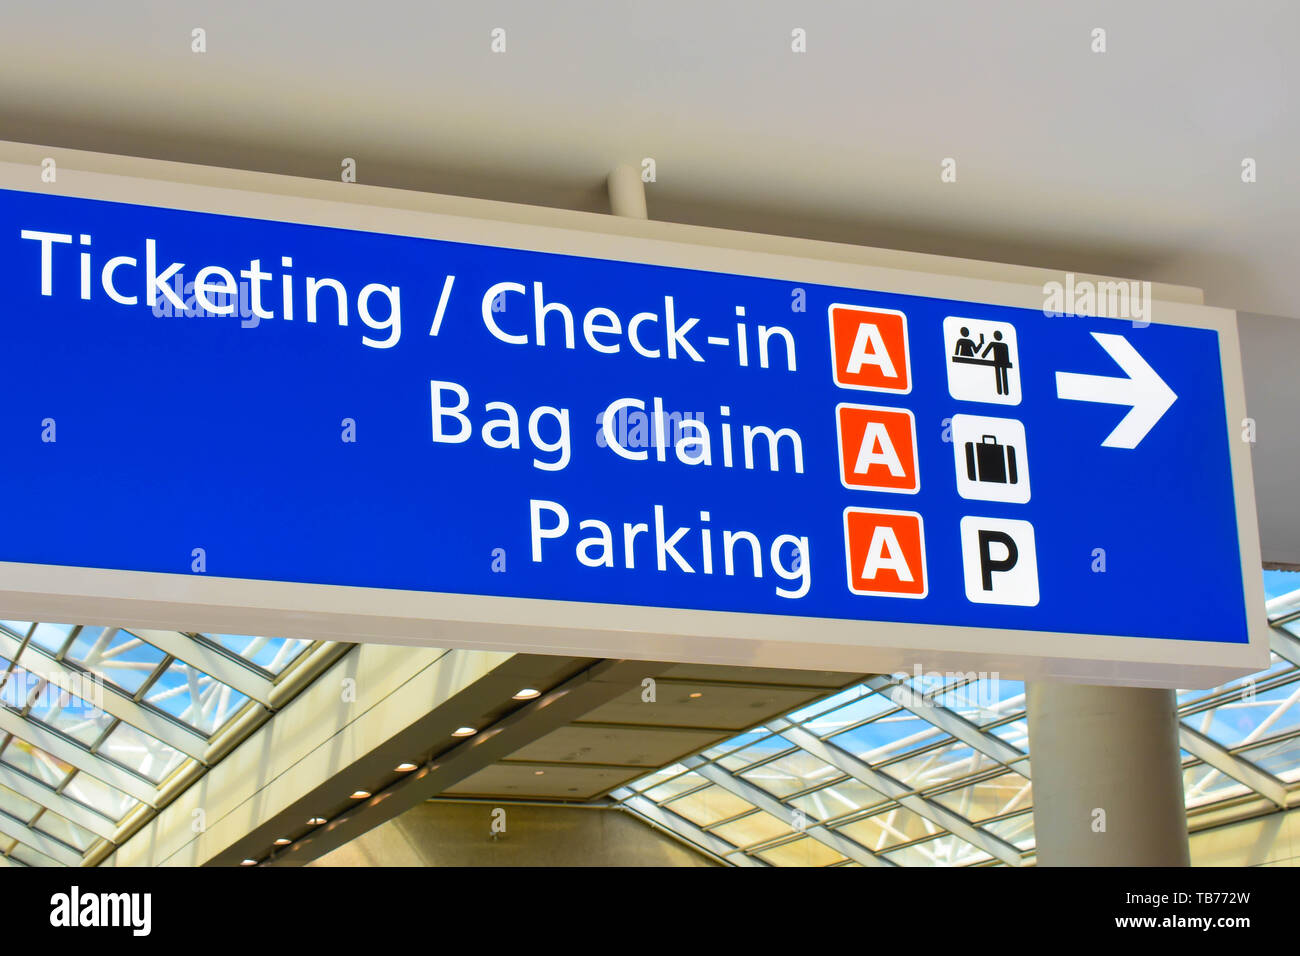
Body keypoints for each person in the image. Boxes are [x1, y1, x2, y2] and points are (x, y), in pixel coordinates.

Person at [982, 330, 1012, 395]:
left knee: (1001, 375)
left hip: (999, 362)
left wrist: (983, 355)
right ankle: (1002, 392)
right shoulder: (1002, 345)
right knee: (1002, 375)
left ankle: (1003, 392)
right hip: (1000, 363)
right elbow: (986, 352)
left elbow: (985, 353)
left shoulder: (1001, 345)